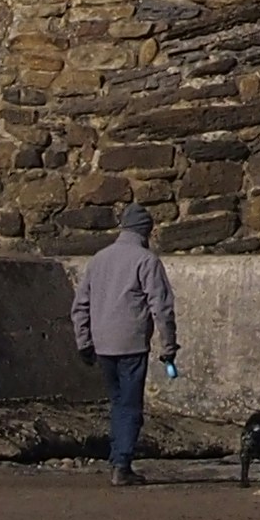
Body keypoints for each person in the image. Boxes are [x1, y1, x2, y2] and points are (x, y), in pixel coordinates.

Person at [71, 204, 178, 485]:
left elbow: (80, 305)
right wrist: (169, 347)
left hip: (102, 343)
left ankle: (117, 457)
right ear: (146, 231)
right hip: (131, 343)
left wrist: (84, 342)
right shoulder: (146, 260)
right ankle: (122, 464)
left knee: (117, 403)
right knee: (130, 406)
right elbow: (162, 308)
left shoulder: (98, 259)